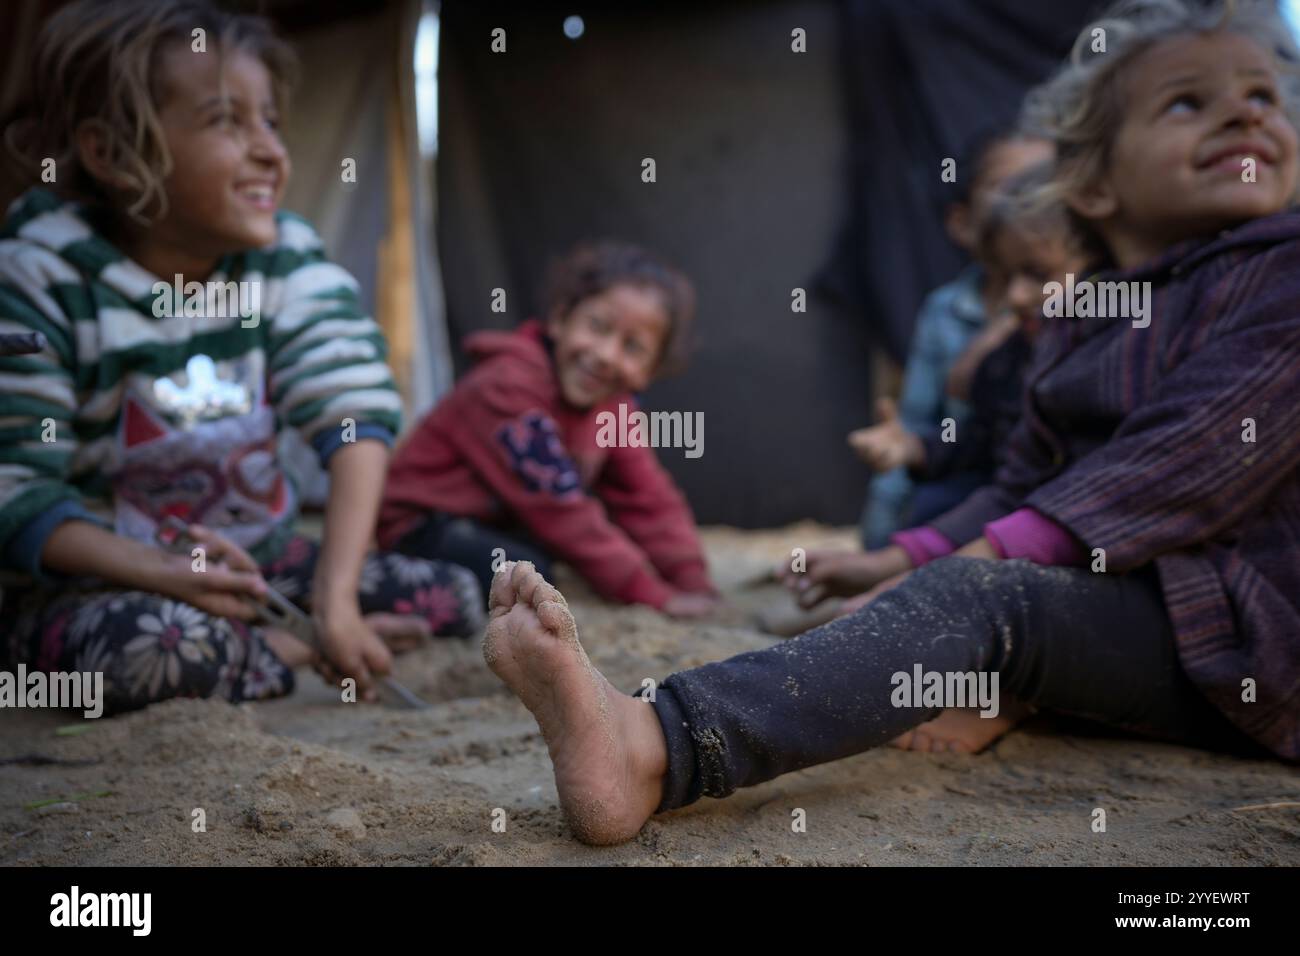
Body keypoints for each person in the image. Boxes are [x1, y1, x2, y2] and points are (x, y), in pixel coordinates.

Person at [482, 0, 1300, 845]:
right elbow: (1018, 485)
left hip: (1246, 649)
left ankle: (653, 746)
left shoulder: (1283, 274)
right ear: (1094, 181)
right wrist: (892, 559)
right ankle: (930, 658)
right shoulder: (1083, 320)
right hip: (1129, 632)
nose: (1247, 110)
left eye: (1266, 96)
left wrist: (949, 576)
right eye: (1187, 102)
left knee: (978, 601)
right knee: (947, 600)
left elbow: (1180, 467)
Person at [0, 0, 482, 715]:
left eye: (272, 122)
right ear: (109, 152)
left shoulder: (281, 260)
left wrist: (337, 599)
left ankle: (272, 640)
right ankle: (279, 650)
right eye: (226, 120)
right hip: (97, 580)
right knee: (163, 647)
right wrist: (163, 572)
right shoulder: (42, 275)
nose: (271, 151)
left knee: (455, 593)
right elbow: (17, 493)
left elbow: (352, 416)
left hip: (251, 565)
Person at [377, 240, 719, 619]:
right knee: (530, 572)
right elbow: (559, 509)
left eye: (633, 347)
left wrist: (693, 580)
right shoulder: (507, 386)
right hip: (418, 527)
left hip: (498, 526)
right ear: (559, 319)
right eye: (597, 326)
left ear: (650, 372)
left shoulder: (614, 406)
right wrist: (656, 597)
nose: (606, 354)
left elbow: (647, 497)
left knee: (543, 563)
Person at [855, 129, 1052, 547]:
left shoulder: (1094, 308)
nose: (1030, 202)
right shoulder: (944, 311)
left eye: (1045, 185)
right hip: (966, 476)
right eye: (1011, 187)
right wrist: (876, 545)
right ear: (962, 222)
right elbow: (923, 427)